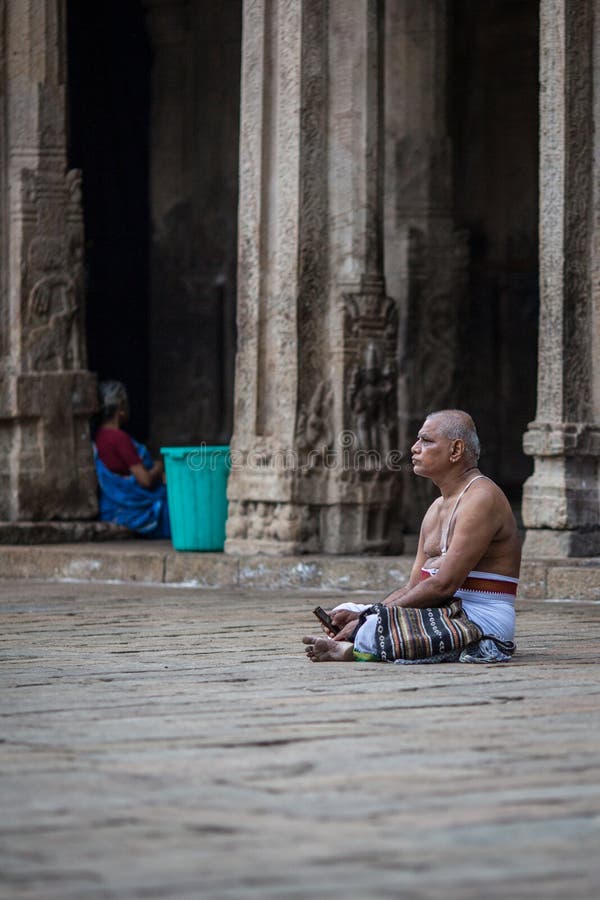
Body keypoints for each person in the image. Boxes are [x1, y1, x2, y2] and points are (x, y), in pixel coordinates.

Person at [303, 409, 521, 664]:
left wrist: (371, 619)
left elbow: (443, 585)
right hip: (440, 610)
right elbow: (413, 587)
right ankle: (362, 638)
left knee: (373, 627)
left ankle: (355, 648)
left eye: (426, 441)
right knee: (350, 610)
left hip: (481, 618)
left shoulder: (481, 498)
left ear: (456, 450)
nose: (414, 448)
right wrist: (364, 613)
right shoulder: (435, 509)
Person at [93, 380, 171, 538]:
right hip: (130, 509)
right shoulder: (119, 439)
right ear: (120, 408)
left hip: (110, 508)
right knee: (174, 502)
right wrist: (158, 468)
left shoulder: (99, 436)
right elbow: (145, 480)